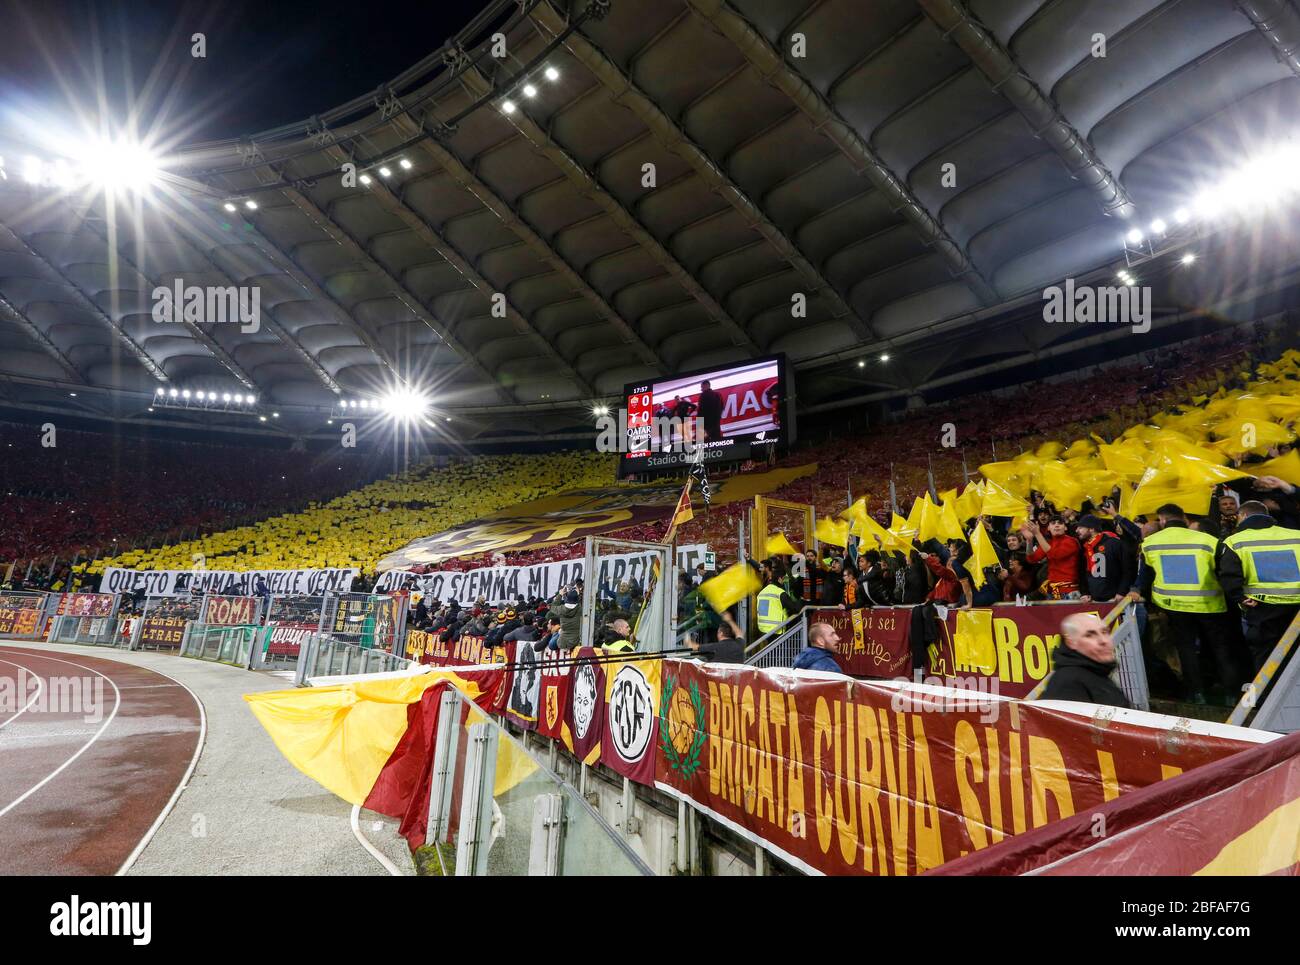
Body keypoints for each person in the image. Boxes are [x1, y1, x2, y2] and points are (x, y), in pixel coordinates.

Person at [1136, 503, 1244, 704]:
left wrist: (1142, 595)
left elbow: (1146, 577)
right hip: (1210, 604)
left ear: (1162, 520)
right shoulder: (1210, 541)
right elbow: (1225, 571)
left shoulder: (1150, 543)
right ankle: (1232, 695)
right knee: (1221, 649)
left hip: (1174, 606)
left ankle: (1196, 694)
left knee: (1186, 651)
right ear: (1184, 518)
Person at [1217, 500, 1300, 672]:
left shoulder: (1235, 541)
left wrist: (1240, 598)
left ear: (1243, 516)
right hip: (1297, 607)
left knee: (1266, 656)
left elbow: (1229, 575)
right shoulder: (1296, 535)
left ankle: (1265, 697)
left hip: (1262, 608)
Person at [1039, 612, 1131, 708]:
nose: (1103, 641)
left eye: (1104, 632)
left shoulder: (1096, 673)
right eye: (1089, 635)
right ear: (1071, 643)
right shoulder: (1069, 682)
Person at [1075, 514, 1135, 602]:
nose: (1076, 530)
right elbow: (1082, 573)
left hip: (1116, 599)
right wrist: (1085, 592)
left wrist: (1122, 591)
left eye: (1080, 528)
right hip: (1094, 600)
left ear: (1091, 529)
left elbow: (1128, 569)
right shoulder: (1084, 548)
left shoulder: (1114, 543)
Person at [1022, 516, 1081, 598]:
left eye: (1060, 523)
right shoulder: (1048, 543)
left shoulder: (1071, 541)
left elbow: (1055, 554)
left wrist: (1037, 534)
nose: (1056, 525)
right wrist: (1029, 540)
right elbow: (1031, 559)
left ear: (1065, 527)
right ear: (1048, 528)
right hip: (1051, 592)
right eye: (1053, 523)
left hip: (1069, 592)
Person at [755, 568, 802, 634]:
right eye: (784, 579)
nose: (785, 581)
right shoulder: (780, 593)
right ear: (779, 579)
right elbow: (794, 609)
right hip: (777, 630)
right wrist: (801, 601)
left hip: (763, 629)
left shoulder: (762, 592)